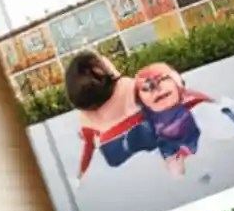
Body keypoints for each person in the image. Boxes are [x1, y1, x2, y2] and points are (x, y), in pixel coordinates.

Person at [63, 51, 156, 180]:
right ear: (99, 70)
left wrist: (81, 172)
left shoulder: (85, 114)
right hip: (139, 129)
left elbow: (89, 146)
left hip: (110, 148)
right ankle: (132, 139)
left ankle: (127, 143)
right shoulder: (124, 85)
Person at [135, 62, 212, 177]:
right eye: (145, 88)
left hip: (191, 139)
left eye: (162, 79)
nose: (156, 88)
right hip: (168, 144)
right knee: (177, 170)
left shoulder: (196, 104)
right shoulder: (144, 115)